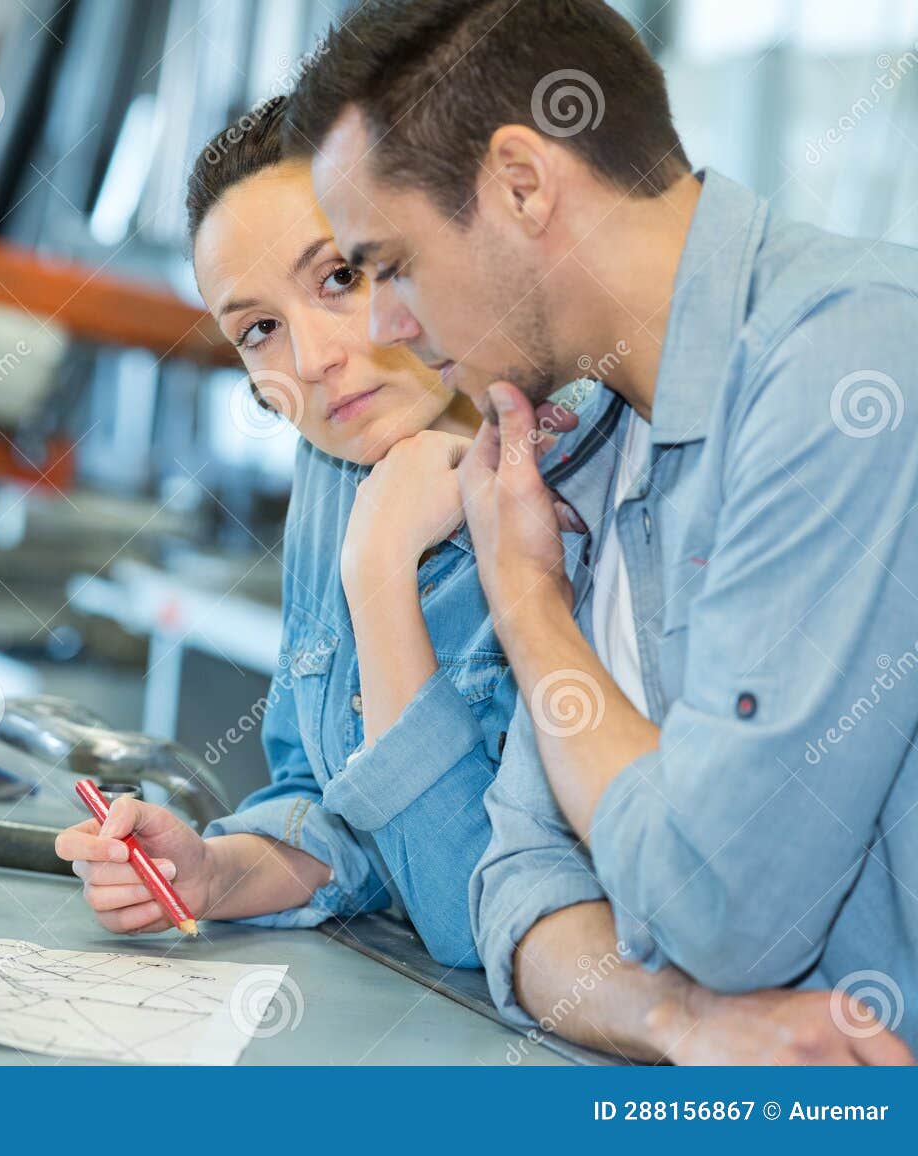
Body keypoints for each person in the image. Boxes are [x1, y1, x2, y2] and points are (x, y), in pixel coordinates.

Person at [288, 0, 918, 1063]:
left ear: (523, 183)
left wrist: (528, 603)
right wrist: (678, 1019)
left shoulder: (850, 360)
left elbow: (725, 906)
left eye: (388, 264)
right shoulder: (597, 433)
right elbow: (516, 885)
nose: (386, 325)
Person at [54, 94, 593, 967]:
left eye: (340, 277)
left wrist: (378, 570)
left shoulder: (581, 491)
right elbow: (330, 796)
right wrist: (216, 873)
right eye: (258, 329)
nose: (309, 361)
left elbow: (477, 913)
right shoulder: (343, 458)